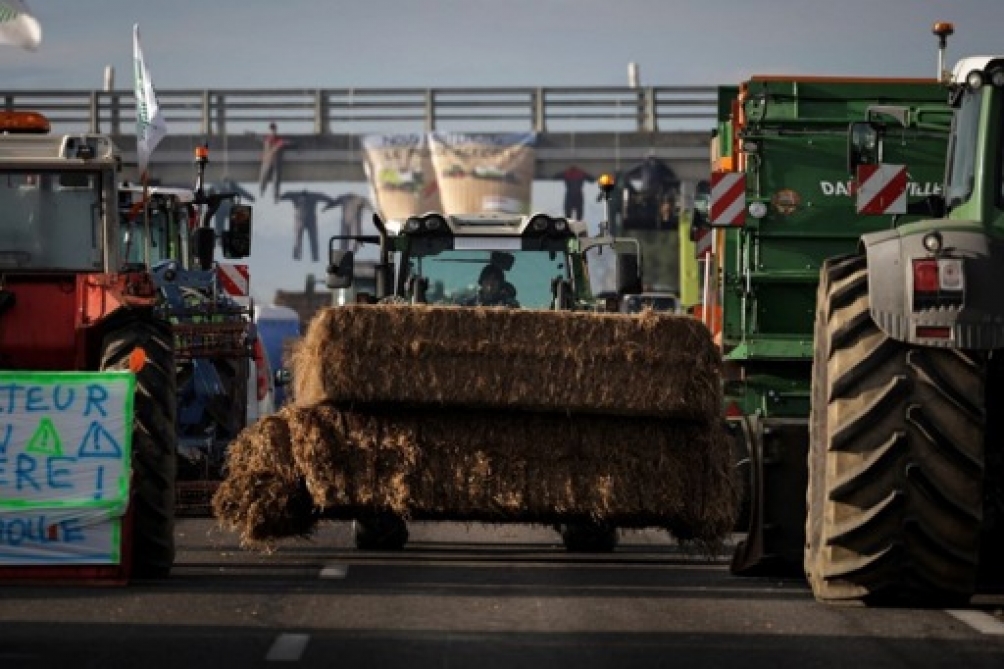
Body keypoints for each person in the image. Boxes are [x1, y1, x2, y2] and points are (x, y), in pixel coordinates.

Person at [279, 189, 338, 262]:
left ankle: (312, 257)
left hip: (305, 220)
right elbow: (326, 198)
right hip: (304, 220)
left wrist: (332, 201)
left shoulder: (308, 195)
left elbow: (325, 198)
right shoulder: (300, 195)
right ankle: (308, 257)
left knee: (306, 240)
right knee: (301, 240)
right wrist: (332, 201)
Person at [208, 178, 255, 242]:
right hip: (223, 209)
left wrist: (250, 197)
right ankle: (222, 238)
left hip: (225, 208)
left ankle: (227, 237)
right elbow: (209, 194)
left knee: (224, 224)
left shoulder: (230, 185)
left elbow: (241, 191)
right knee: (221, 225)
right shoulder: (217, 185)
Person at [258, 122, 292, 203]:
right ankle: (262, 191)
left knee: (276, 180)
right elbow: (258, 138)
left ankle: (275, 197)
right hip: (267, 162)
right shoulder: (266, 139)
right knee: (263, 177)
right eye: (271, 129)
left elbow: (287, 143)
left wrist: (286, 143)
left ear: (276, 130)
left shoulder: (280, 140)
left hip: (276, 163)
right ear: (269, 130)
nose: (273, 131)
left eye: (274, 129)